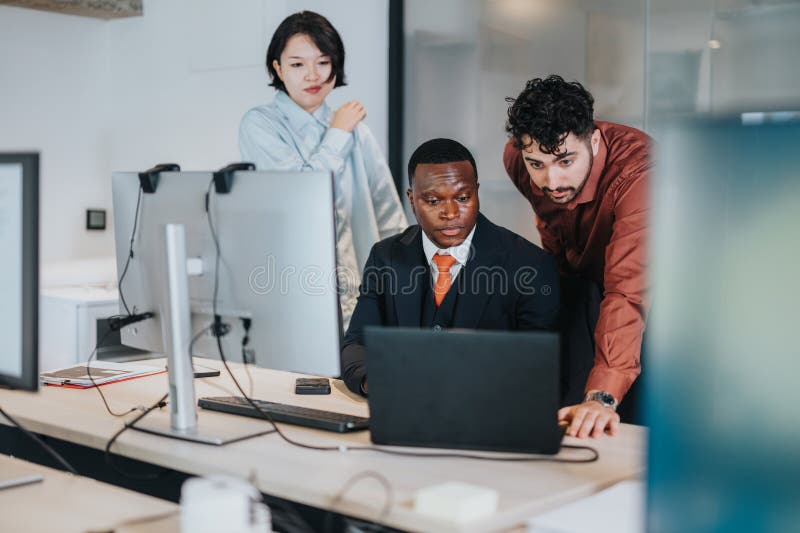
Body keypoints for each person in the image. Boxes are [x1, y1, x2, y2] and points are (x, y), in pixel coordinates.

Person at [341, 138, 560, 397]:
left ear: (477, 192)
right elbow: (356, 344)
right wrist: (377, 381)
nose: (451, 212)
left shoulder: (530, 265)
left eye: (463, 197)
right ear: (412, 200)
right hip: (398, 415)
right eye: (433, 201)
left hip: (484, 420)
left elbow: (537, 367)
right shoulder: (385, 256)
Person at [503, 75, 653, 438]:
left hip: (652, 292)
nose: (551, 181)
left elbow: (628, 292)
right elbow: (553, 229)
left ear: (595, 141)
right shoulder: (516, 160)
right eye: (536, 163)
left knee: (620, 414)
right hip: (582, 282)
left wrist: (602, 396)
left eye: (565, 161)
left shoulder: (641, 175)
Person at [239, 11, 407, 328]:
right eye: (297, 64)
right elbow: (301, 197)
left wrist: (401, 286)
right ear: (278, 68)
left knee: (358, 375)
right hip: (290, 294)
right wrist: (337, 134)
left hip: (360, 294)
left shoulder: (357, 130)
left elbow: (388, 212)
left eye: (323, 62)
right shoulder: (260, 124)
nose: (313, 75)